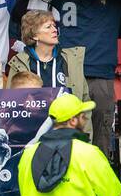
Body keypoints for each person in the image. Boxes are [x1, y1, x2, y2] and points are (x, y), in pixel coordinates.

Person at [7, 10, 100, 149]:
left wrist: (86, 139)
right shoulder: (20, 63)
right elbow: (10, 105)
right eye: (48, 27)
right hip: (31, 140)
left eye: (54, 25)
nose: (54, 29)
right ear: (34, 35)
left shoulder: (71, 61)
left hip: (68, 138)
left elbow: (84, 103)